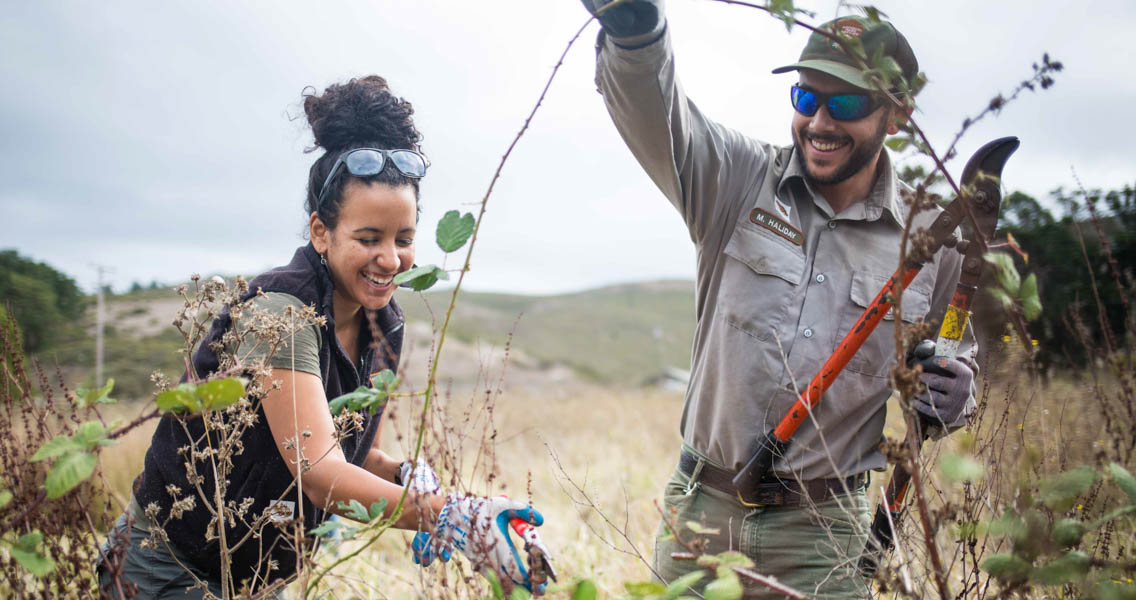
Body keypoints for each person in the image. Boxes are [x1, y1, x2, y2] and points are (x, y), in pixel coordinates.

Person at [575, 2, 977, 598]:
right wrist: (636, 35)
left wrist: (958, 393)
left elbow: (957, 355)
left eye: (844, 104)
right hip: (702, 517)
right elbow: (657, 115)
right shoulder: (735, 179)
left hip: (823, 536)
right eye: (806, 97)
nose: (819, 120)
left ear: (898, 114)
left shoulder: (934, 243)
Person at [97, 75, 546, 598]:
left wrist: (411, 477)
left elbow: (355, 456)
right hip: (170, 569)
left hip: (260, 574)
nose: (390, 259)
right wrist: (450, 517)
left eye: (404, 239)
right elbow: (320, 474)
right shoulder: (280, 315)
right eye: (368, 238)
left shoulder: (386, 326)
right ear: (320, 232)